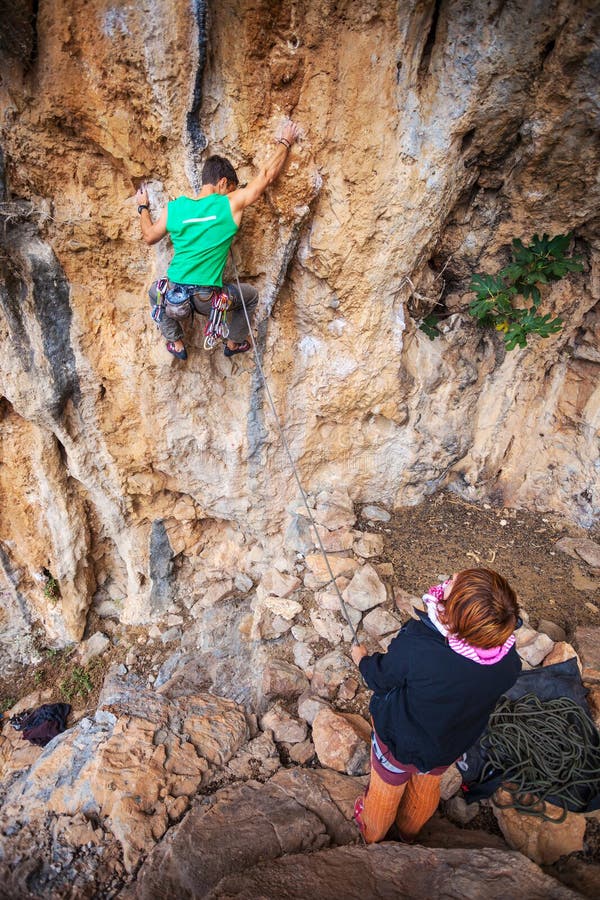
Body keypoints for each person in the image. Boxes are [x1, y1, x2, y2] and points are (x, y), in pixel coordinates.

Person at [351, 567, 522, 843]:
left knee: (387, 787)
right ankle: (409, 833)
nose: (451, 577)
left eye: (455, 583)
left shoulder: (420, 645)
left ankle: (373, 834)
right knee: (427, 785)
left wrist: (362, 660)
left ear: (455, 617)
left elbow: (382, 678)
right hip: (449, 745)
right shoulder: (507, 660)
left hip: (399, 741)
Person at [135, 120, 300, 360]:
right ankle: (233, 343)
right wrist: (285, 141)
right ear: (223, 183)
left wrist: (143, 208)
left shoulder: (176, 208)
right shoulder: (229, 204)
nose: (232, 192)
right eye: (231, 188)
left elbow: (149, 236)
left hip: (173, 295)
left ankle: (176, 342)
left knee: (153, 293)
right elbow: (265, 177)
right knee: (250, 296)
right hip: (207, 300)